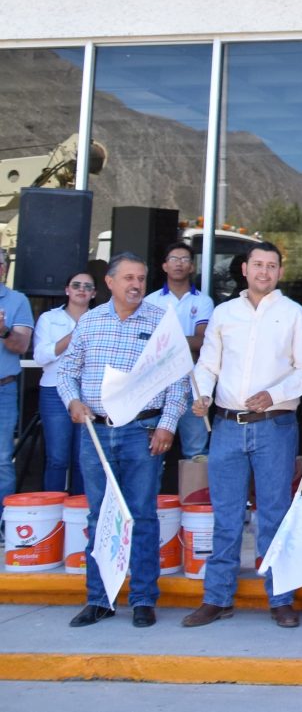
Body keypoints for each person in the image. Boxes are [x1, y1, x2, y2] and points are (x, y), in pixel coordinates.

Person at [183, 240, 302, 629]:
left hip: (274, 425)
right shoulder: (224, 313)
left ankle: (281, 598)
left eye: (271, 266)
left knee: (273, 514)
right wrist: (202, 394)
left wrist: (273, 394)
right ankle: (217, 598)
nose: (264, 272)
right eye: (258, 264)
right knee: (225, 516)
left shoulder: (294, 315)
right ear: (245, 269)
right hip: (226, 425)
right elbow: (208, 364)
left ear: (280, 272)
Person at [54, 252, 189, 627]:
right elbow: (67, 371)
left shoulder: (161, 321)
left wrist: (167, 425)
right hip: (96, 432)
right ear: (110, 283)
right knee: (100, 516)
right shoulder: (90, 320)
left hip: (142, 432)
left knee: (142, 515)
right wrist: (73, 401)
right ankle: (100, 599)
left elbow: (177, 379)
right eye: (128, 278)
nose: (136, 285)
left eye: (141, 278)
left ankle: (143, 599)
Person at [143, 241, 215, 458]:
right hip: (156, 383)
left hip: (191, 383)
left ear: (192, 266)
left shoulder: (203, 301)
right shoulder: (150, 301)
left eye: (185, 259)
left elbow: (202, 342)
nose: (179, 264)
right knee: (152, 450)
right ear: (164, 266)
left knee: (196, 451)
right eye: (174, 259)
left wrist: (165, 341)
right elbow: (146, 345)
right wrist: (185, 343)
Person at [31, 271, 92, 494]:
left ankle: (80, 511)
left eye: (87, 286)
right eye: (76, 285)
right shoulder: (49, 318)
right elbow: (40, 357)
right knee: (57, 457)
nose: (81, 289)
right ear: (67, 290)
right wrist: (74, 335)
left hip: (88, 393)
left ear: (94, 293)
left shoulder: (101, 319)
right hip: (54, 391)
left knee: (83, 457)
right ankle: (53, 510)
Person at [0, 249, 34, 503]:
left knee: (1, 460)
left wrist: (3, 330)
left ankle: (2, 521)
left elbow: (22, 346)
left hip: (3, 390)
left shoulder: (17, 300)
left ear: (4, 269)